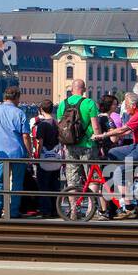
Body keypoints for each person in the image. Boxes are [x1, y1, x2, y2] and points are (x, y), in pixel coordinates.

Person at [108, 93, 138, 219]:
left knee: (119, 172)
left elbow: (122, 129)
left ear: (134, 105)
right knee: (113, 152)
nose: (125, 110)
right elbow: (128, 130)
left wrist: (103, 135)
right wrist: (117, 135)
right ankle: (126, 181)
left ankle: (129, 208)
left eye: (127, 106)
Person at [56, 80, 99, 219]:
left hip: (70, 145)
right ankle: (90, 211)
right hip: (87, 146)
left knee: (72, 179)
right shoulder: (89, 103)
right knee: (92, 178)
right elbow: (96, 127)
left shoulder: (63, 104)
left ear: (72, 89)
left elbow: (60, 126)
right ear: (84, 89)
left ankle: (73, 210)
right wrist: (98, 138)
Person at [0, 86, 29, 219]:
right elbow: (26, 135)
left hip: (1, 152)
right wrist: (29, 152)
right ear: (16, 97)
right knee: (16, 183)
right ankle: (13, 211)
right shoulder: (20, 113)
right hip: (17, 152)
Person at [30, 100, 63, 219]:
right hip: (55, 156)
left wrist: (37, 157)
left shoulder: (42, 125)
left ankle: (46, 210)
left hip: (44, 157)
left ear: (41, 110)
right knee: (54, 184)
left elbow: (40, 142)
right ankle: (55, 209)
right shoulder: (56, 123)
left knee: (43, 185)